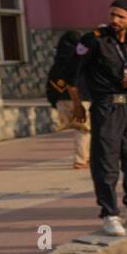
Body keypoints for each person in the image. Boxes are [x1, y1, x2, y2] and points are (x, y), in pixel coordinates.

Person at [67, 0, 127, 236]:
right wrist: (78, 105)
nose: (115, 20)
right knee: (106, 163)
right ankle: (109, 214)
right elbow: (73, 72)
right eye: (112, 15)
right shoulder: (94, 40)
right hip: (105, 107)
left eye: (121, 16)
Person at [46, 31, 91, 170]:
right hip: (80, 100)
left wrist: (54, 102)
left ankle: (85, 157)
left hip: (62, 101)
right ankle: (81, 160)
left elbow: (50, 85)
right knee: (83, 130)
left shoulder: (57, 64)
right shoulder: (80, 61)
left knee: (80, 129)